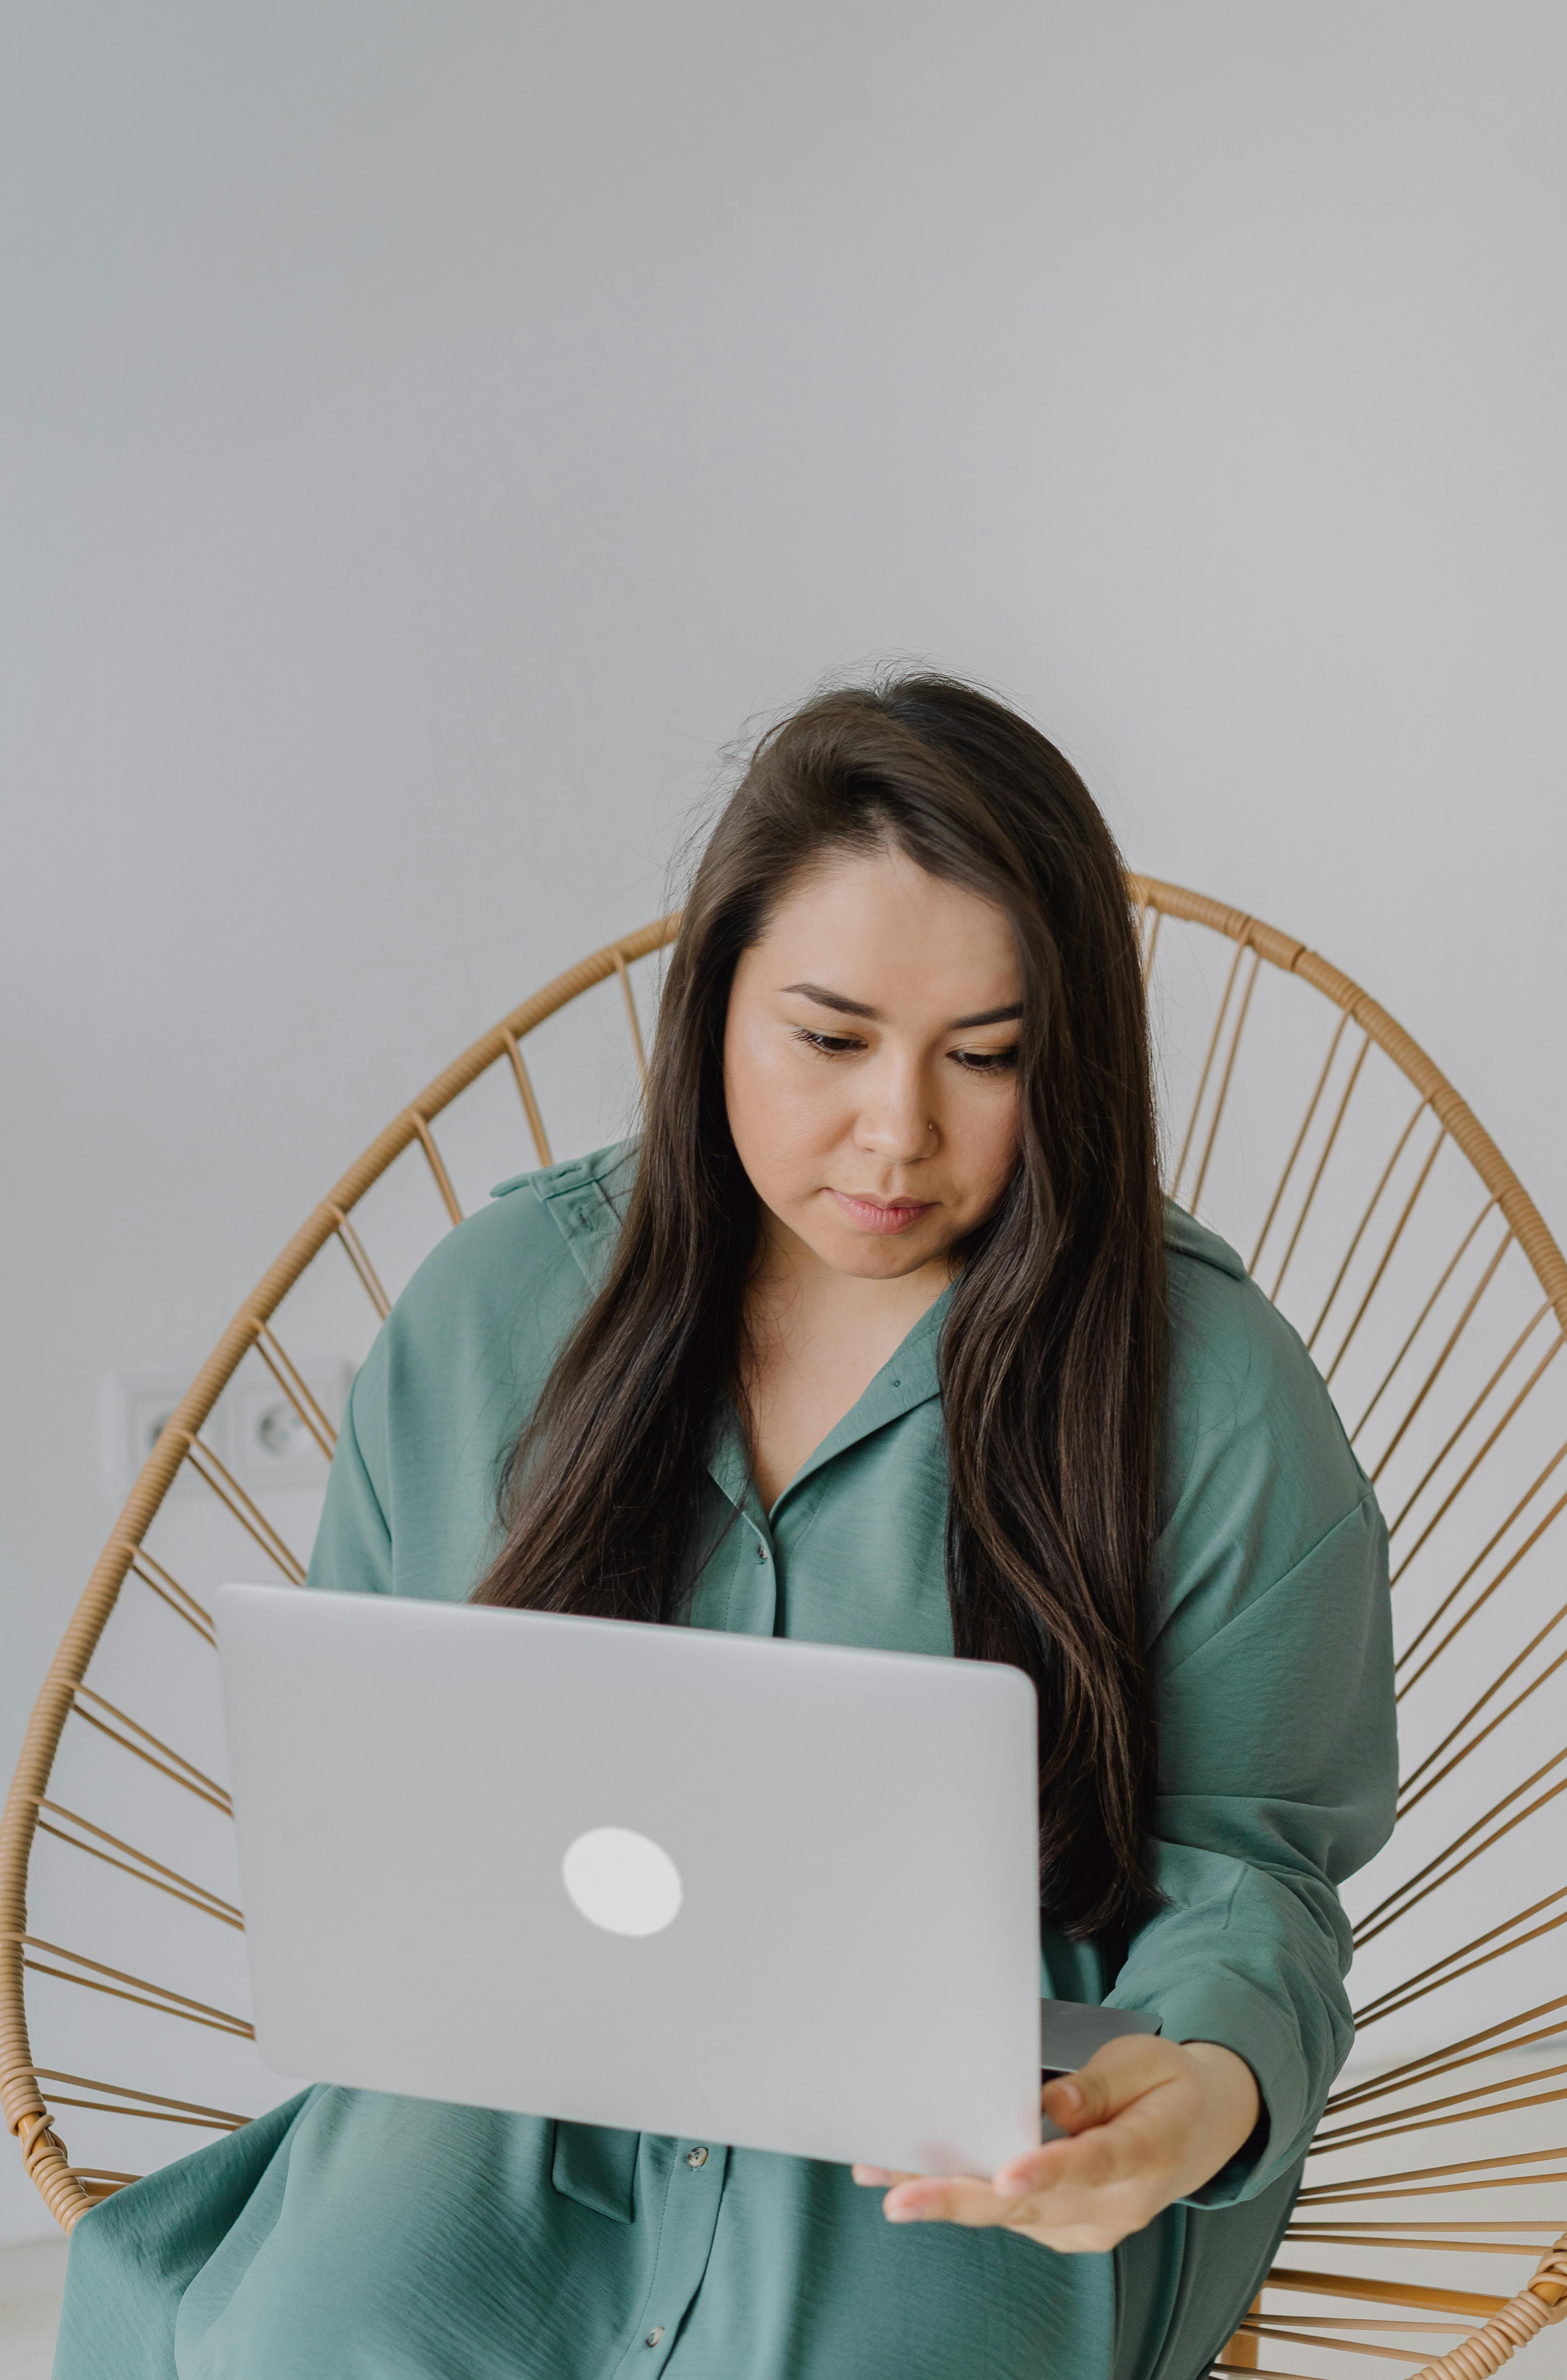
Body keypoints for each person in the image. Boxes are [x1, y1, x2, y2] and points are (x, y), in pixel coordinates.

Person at [53, 675, 1396, 2380]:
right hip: (508, 2125)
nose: (897, 1131)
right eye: (828, 1039)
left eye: (990, 1056)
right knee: (305, 2339)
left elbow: (1247, 1873)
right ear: (714, 1013)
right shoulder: (497, 1308)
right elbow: (383, 1795)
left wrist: (1196, 2087)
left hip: (957, 2152)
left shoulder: (1207, 1389)